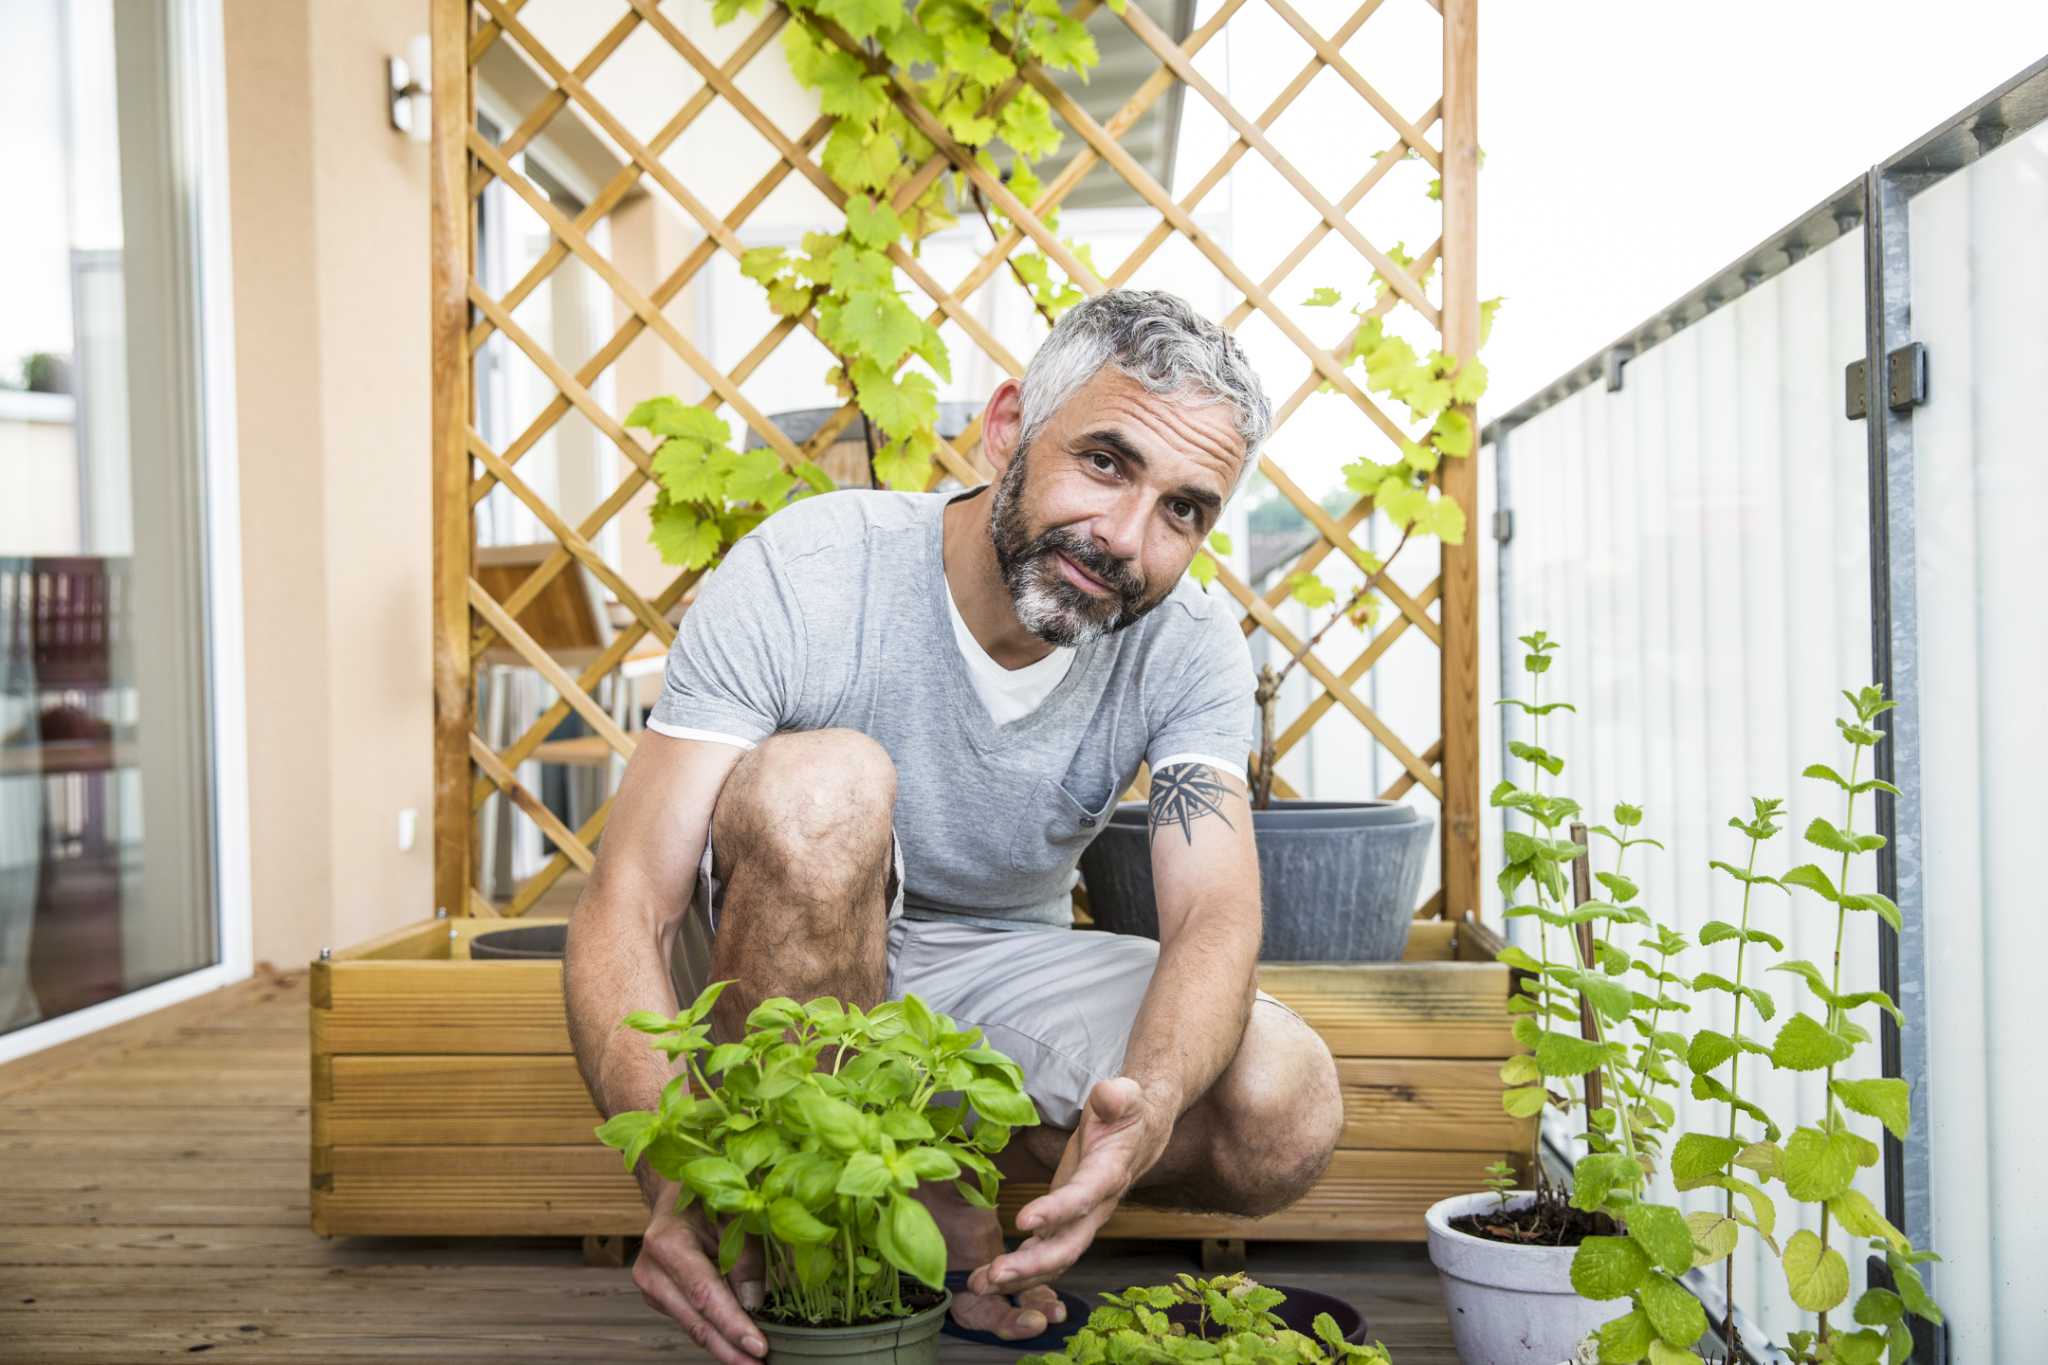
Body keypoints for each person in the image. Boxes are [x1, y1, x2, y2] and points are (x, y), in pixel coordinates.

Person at [562, 289, 1345, 1364]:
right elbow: (625, 909)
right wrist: (672, 1171)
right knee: (824, 786)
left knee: (1282, 1103)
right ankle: (849, 1213)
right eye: (1107, 462)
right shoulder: (811, 572)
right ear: (1007, 426)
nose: (1125, 538)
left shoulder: (1190, 638)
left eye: (1183, 509)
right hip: (768, 956)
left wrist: (1151, 1105)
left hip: (994, 965)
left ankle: (958, 1199)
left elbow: (1213, 913)